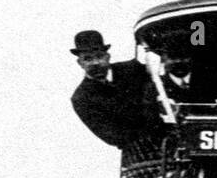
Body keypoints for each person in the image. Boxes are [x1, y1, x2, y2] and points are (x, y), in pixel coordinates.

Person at [69, 30, 161, 168]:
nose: (95, 63)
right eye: (88, 59)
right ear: (80, 63)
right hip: (138, 157)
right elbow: (113, 136)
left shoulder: (133, 69)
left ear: (108, 56)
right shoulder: (82, 98)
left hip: (169, 142)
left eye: (99, 56)